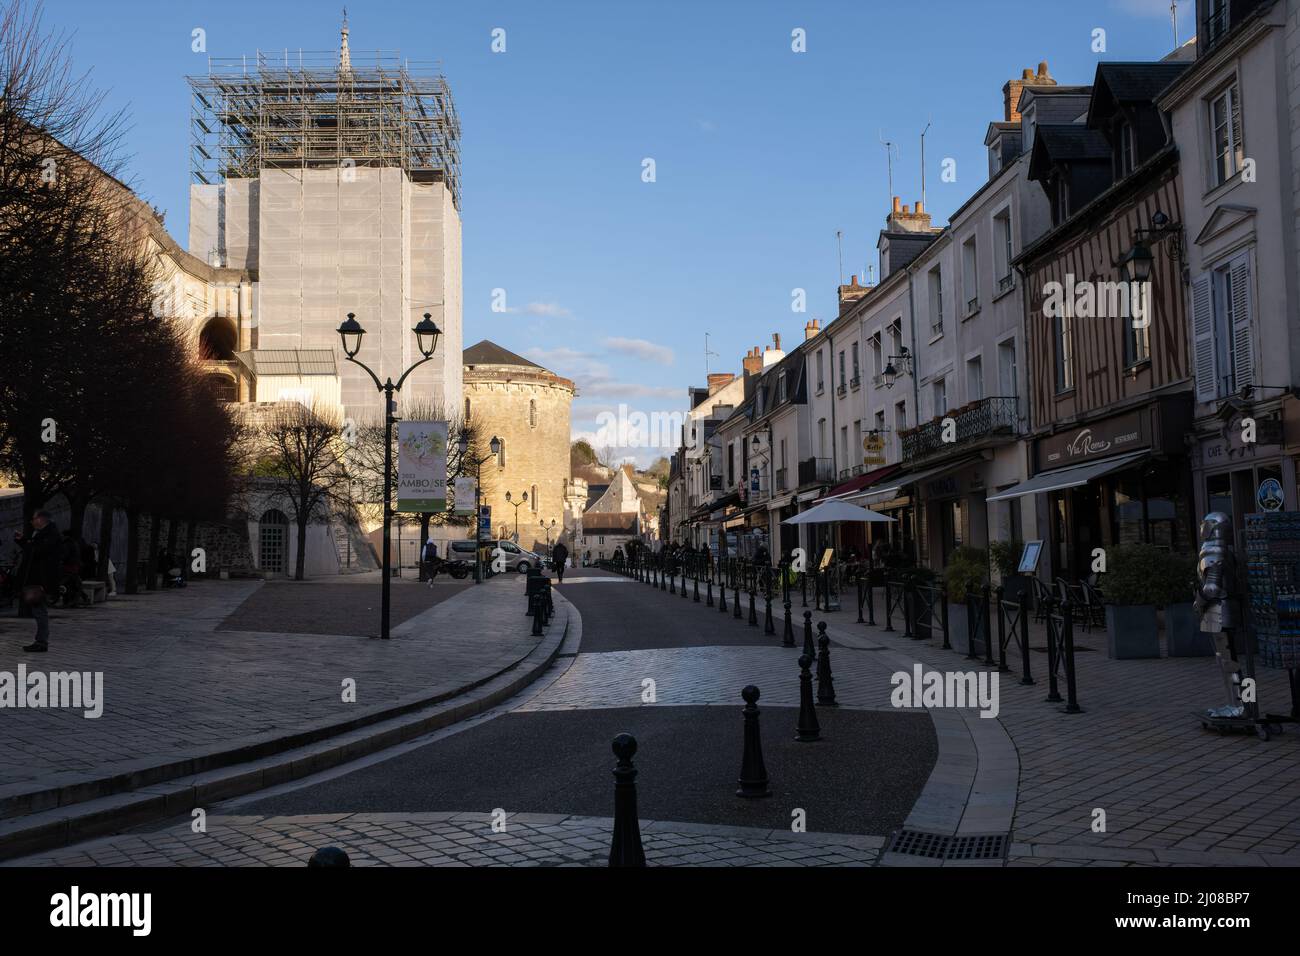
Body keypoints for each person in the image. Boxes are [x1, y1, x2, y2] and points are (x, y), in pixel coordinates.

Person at [15, 511, 61, 652]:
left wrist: (25, 542)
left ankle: (41, 641)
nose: (31, 521)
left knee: (39, 610)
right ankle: (41, 640)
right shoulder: (45, 533)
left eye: (33, 518)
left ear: (41, 519)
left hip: (41, 578)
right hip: (40, 577)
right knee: (39, 610)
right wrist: (24, 541)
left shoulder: (49, 535)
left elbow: (37, 551)